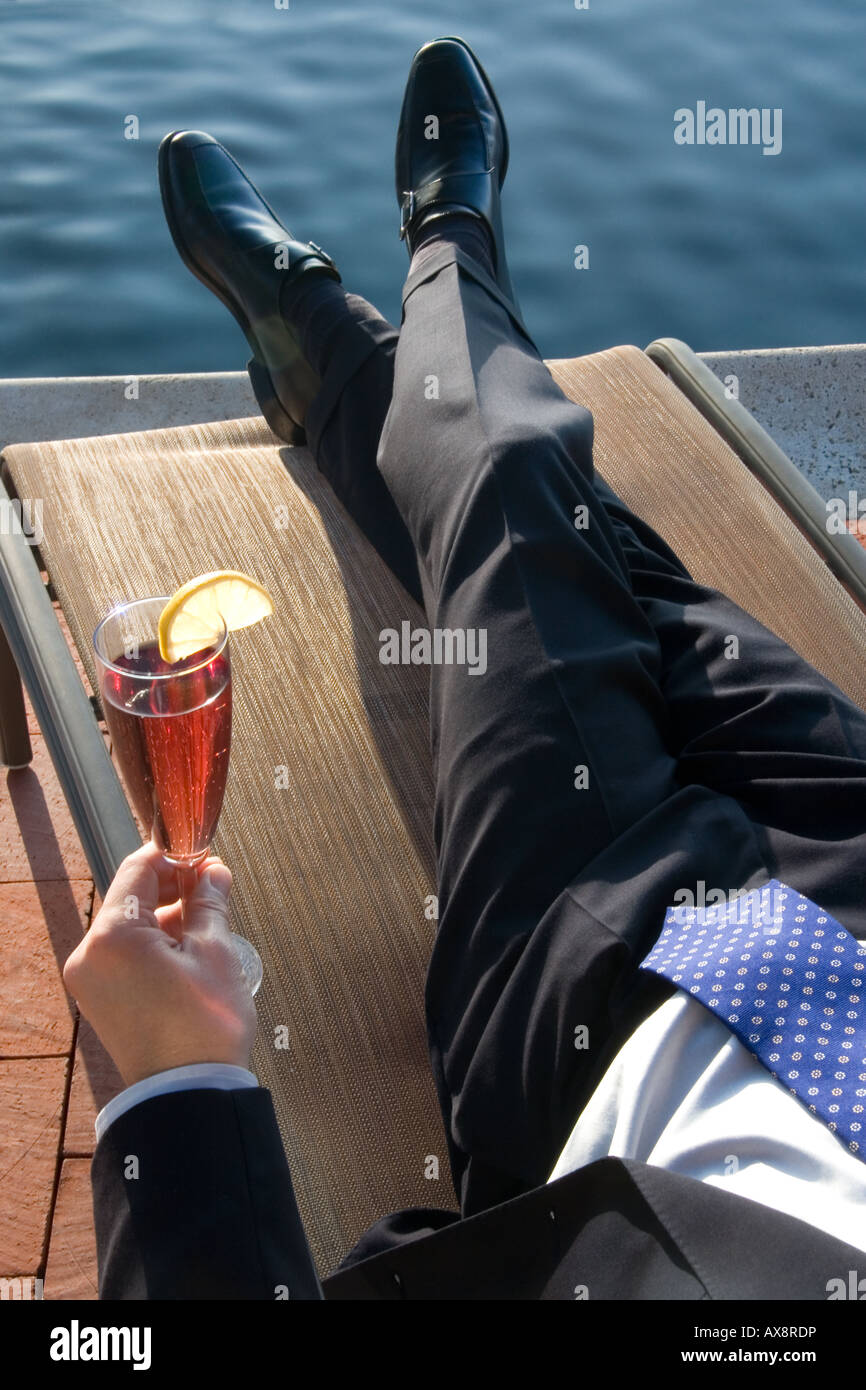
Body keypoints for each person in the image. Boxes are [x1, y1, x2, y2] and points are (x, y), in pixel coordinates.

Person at [64, 36, 866, 1300]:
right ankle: (333, 354)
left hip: (618, 1000)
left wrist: (178, 1088)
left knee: (508, 493)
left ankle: (423, 254)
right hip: (848, 881)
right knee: (599, 554)